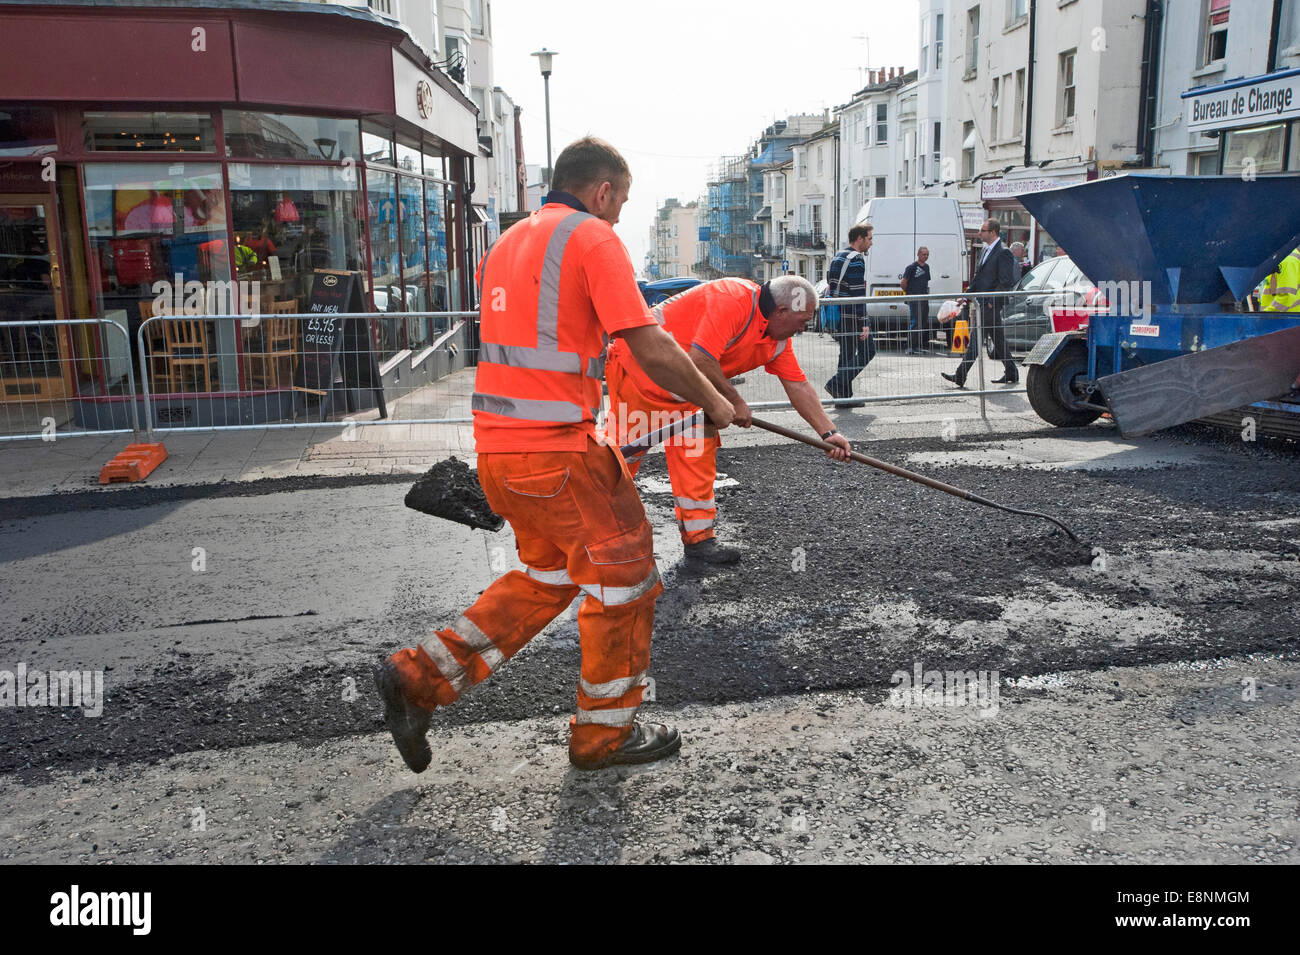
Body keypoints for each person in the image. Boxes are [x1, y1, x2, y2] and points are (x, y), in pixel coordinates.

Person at [375, 138, 735, 775]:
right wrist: (715, 398)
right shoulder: (593, 238)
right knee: (625, 578)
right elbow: (648, 344)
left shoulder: (507, 242)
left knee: (549, 578)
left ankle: (418, 677)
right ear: (601, 192)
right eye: (619, 202)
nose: (619, 215)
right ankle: (604, 736)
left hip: (500, 455)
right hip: (557, 455)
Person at [606, 275, 852, 564]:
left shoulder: (777, 340)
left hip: (692, 393)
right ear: (782, 311)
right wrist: (734, 402)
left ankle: (699, 541)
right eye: (802, 320)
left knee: (696, 460)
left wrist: (827, 433)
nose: (805, 328)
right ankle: (596, 534)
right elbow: (701, 358)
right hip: (641, 373)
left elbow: (798, 386)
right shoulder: (732, 300)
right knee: (621, 459)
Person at [942, 219, 1019, 388]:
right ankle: (1012, 371)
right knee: (998, 339)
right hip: (983, 302)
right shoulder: (985, 250)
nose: (979, 233)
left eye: (982, 230)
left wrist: (992, 301)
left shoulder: (1003, 252)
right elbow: (979, 278)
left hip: (990, 304)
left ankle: (960, 375)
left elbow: (1005, 281)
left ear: (992, 232)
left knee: (975, 340)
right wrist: (966, 296)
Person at [824, 224, 875, 400]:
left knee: (845, 355)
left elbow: (829, 281)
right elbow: (857, 293)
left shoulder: (839, 256)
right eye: (869, 238)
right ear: (860, 238)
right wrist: (865, 323)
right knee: (868, 351)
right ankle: (836, 383)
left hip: (838, 314)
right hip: (852, 315)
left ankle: (843, 397)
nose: (871, 243)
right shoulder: (856, 259)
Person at [901, 246, 932, 355]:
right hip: (914, 299)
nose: (926, 256)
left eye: (927, 254)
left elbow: (925, 282)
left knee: (923, 322)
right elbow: (903, 283)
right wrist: (909, 294)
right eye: (924, 254)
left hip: (924, 299)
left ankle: (918, 346)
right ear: (918, 254)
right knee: (915, 323)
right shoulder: (911, 267)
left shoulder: (927, 267)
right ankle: (910, 347)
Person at [1259, 246, 1300, 313]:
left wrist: (1265, 315)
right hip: (1283, 318)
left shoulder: (1285, 259)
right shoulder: (1278, 257)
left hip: (1286, 319)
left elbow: (1286, 297)